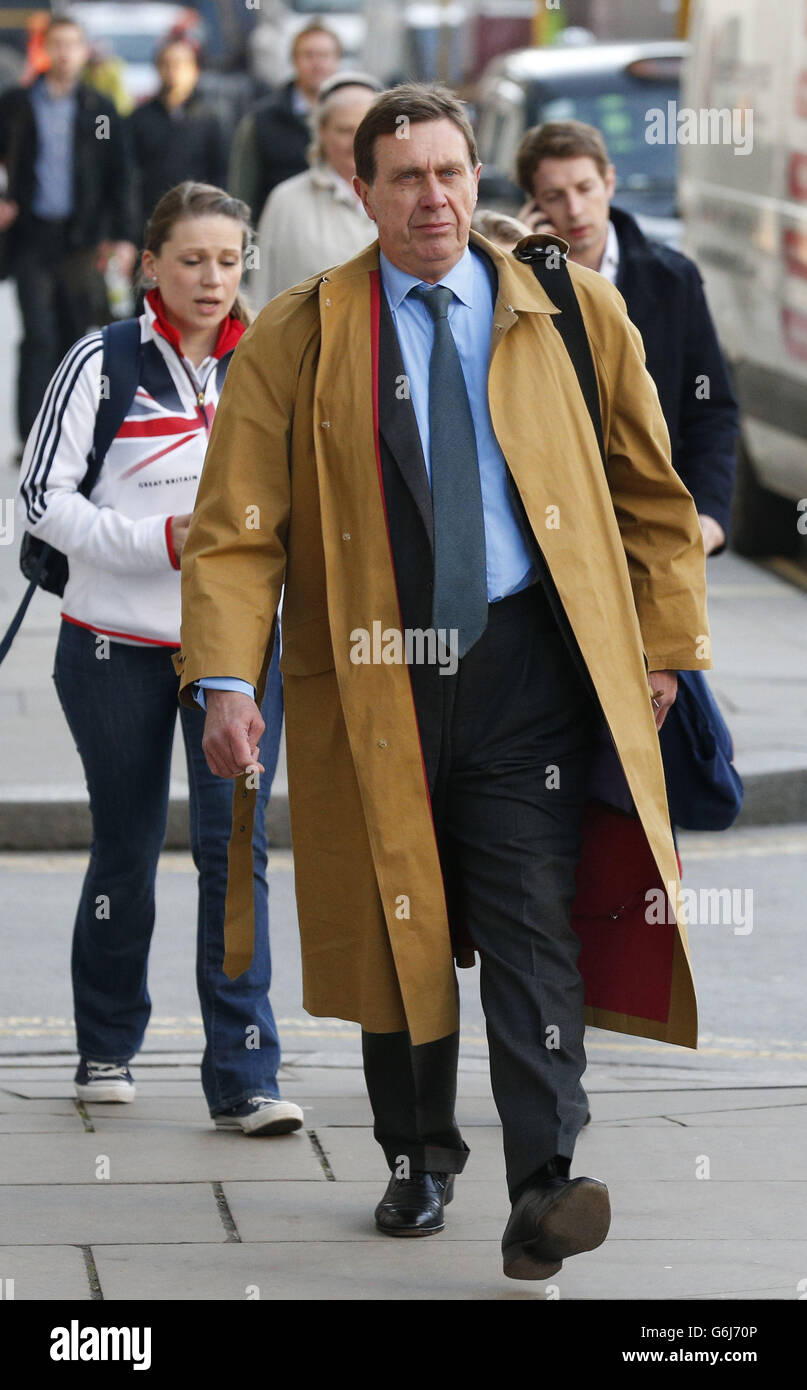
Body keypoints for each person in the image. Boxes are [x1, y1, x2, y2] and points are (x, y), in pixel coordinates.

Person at [174, 85, 711, 1280]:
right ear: (359, 190)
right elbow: (236, 527)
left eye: (453, 172)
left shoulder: (568, 309)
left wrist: (669, 643)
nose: (435, 198)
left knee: (532, 929)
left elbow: (652, 494)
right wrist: (223, 676)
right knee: (398, 923)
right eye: (407, 177)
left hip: (528, 669)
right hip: (375, 674)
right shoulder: (302, 333)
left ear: (481, 180)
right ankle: (418, 1155)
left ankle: (545, 1182)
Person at [16, 182, 300, 1139]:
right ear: (150, 267)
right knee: (126, 846)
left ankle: (245, 1074)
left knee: (235, 857)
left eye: (228, 260)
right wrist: (163, 542)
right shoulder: (101, 360)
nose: (212, 277)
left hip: (235, 657)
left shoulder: (268, 358)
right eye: (191, 259)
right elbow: (41, 499)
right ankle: (107, 1047)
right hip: (111, 651)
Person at [515, 120, 738, 556]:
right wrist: (520, 263)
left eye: (585, 187)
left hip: (653, 529)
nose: (575, 210)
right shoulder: (513, 286)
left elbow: (711, 408)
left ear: (609, 181)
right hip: (553, 534)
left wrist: (709, 515)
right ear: (534, 204)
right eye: (555, 197)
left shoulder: (673, 278)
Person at [0, 14, 137, 455]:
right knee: (38, 333)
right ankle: (33, 433)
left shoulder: (99, 107)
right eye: (55, 43)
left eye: (72, 44)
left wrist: (121, 236)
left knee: (78, 333)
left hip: (84, 238)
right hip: (31, 236)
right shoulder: (17, 103)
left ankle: (73, 429)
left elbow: (120, 173)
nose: (63, 53)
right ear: (44, 48)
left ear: (83, 51)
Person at [250, 72, 381, 307]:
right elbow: (261, 287)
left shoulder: (404, 197)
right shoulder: (285, 201)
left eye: (365, 130)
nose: (356, 142)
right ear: (322, 130)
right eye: (344, 130)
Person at [228, 23, 342, 225]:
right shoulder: (262, 121)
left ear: (337, 61)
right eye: (309, 55)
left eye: (325, 55)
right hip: (278, 233)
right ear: (294, 61)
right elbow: (242, 193)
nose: (317, 64)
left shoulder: (357, 118)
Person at [129, 37, 229, 243]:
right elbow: (129, 175)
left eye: (181, 63)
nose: (173, 69)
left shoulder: (211, 118)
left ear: (195, 70)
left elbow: (222, 171)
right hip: (151, 224)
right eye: (166, 63)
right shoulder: (139, 118)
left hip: (199, 223)